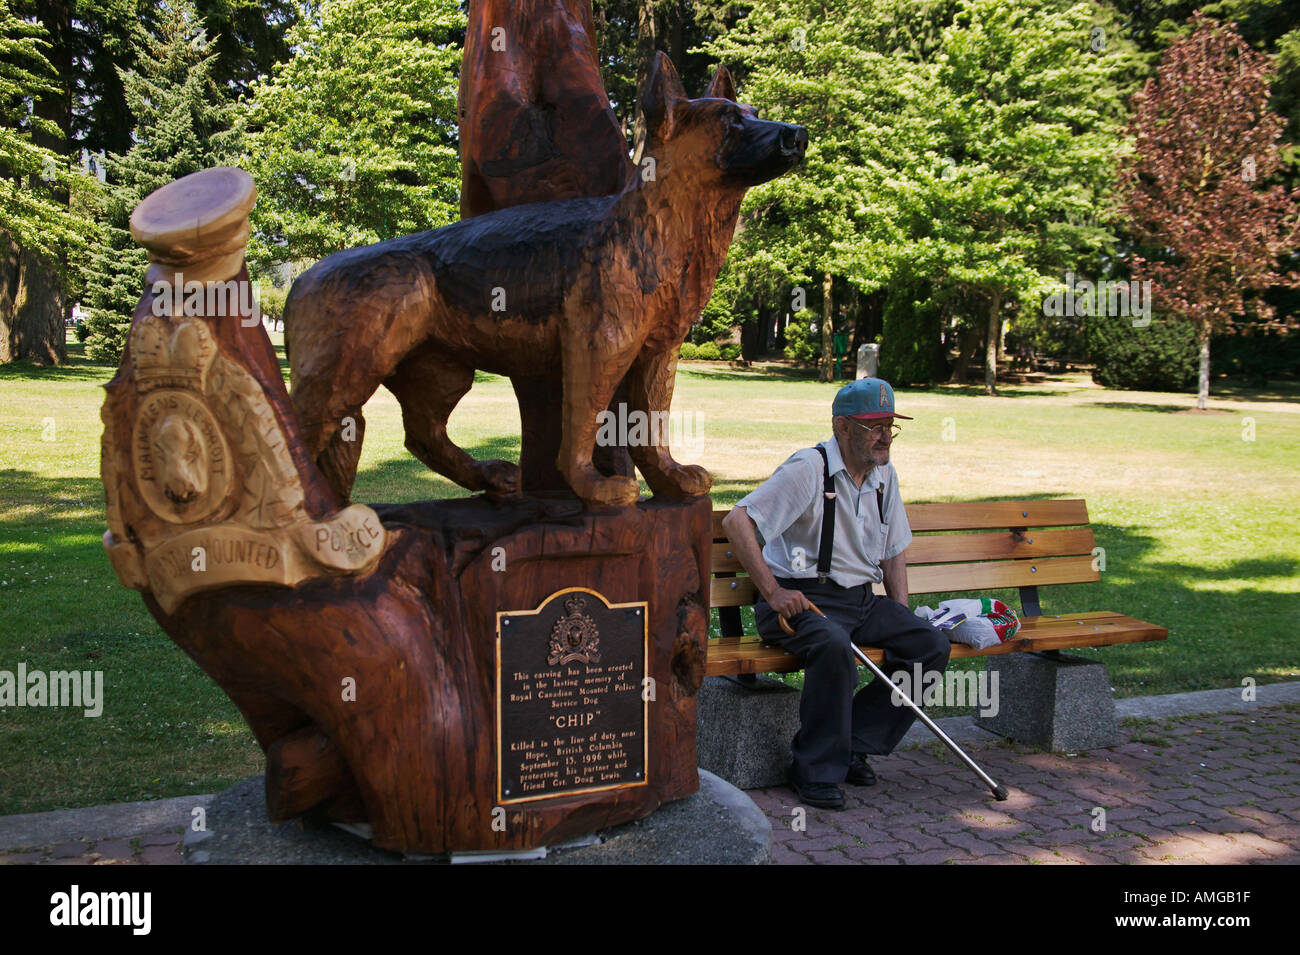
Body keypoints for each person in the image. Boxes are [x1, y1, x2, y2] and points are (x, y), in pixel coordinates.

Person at [720, 377, 950, 810]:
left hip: (859, 600)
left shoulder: (884, 475)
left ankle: (852, 745)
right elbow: (737, 522)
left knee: (929, 645)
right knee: (832, 643)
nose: (884, 436)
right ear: (842, 427)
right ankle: (814, 769)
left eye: (889, 425)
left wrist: (901, 615)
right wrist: (773, 592)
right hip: (801, 602)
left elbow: (894, 549)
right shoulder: (810, 468)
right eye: (873, 426)